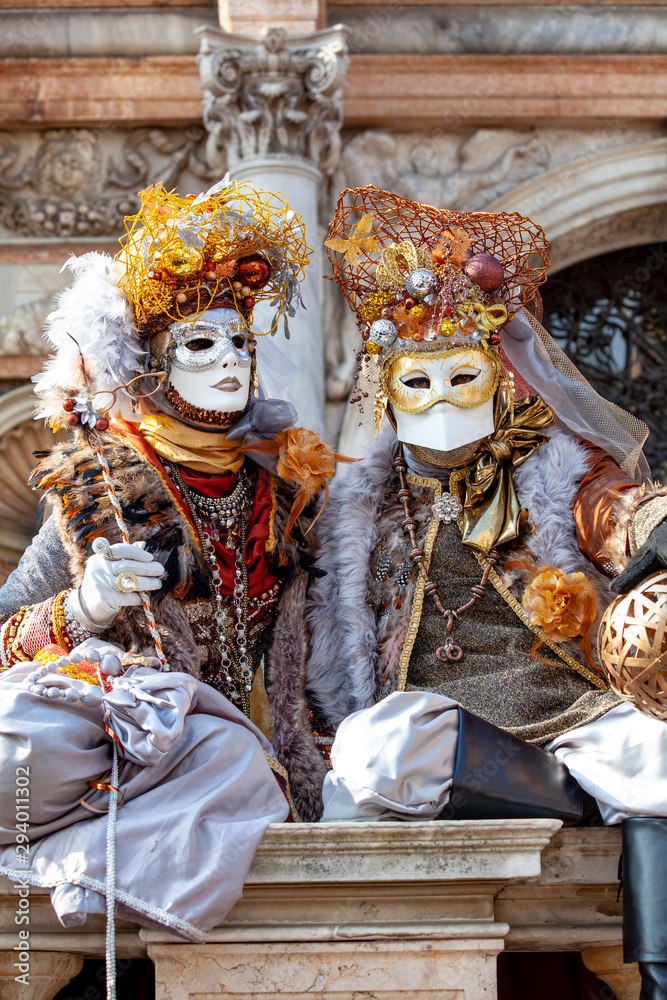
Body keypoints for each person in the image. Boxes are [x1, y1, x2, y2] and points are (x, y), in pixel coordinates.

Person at [302, 185, 667, 999]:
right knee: (372, 753)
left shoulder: (554, 471)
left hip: (575, 715)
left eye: (460, 376)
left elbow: (619, 513)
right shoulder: (354, 509)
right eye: (416, 382)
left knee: (661, 753)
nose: (437, 401)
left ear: (498, 377)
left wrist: (655, 524)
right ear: (385, 392)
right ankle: (564, 798)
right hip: (442, 729)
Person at [0, 178, 333, 947]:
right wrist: (80, 607)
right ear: (150, 363)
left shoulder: (289, 497)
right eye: (200, 343)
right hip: (119, 750)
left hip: (231, 755)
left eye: (240, 342)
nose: (228, 360)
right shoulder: (98, 488)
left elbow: (325, 657)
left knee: (234, 760)